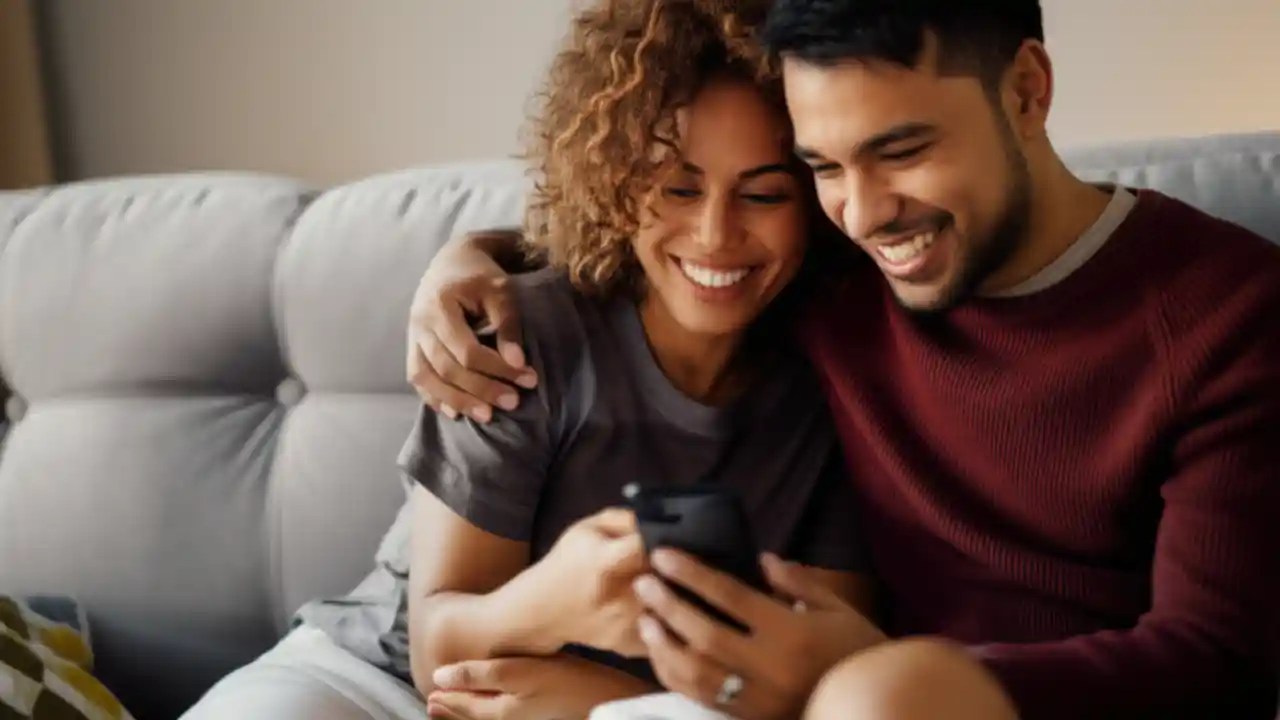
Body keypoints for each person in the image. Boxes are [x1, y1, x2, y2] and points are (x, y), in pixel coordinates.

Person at [407, 1, 1280, 718]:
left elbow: (1218, 660)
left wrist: (886, 674)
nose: (863, 214)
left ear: (1025, 91)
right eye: (822, 166)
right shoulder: (837, 278)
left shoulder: (1231, 310)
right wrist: (469, 263)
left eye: (902, 151)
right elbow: (671, 243)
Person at [181, 1, 898, 719]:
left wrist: (616, 697)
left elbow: (813, 678)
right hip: (380, 681)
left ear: (814, 197)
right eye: (678, 186)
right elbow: (438, 647)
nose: (716, 233)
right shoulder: (526, 334)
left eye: (764, 193)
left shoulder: (824, 388)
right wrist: (551, 604)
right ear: (618, 179)